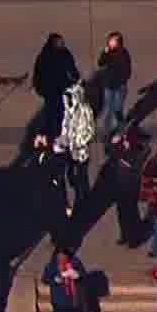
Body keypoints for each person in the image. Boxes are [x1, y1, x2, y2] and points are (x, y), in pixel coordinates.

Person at [53, 80, 95, 217]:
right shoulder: (67, 111)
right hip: (68, 151)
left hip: (80, 152)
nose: (68, 100)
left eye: (70, 98)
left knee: (81, 178)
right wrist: (60, 141)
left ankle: (84, 204)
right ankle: (76, 202)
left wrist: (79, 143)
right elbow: (65, 130)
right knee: (70, 177)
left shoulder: (85, 110)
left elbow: (90, 131)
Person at [30, 33, 79, 138]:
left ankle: (59, 132)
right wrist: (38, 86)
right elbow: (38, 73)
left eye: (61, 42)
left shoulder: (65, 53)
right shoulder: (44, 55)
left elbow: (71, 67)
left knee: (62, 111)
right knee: (50, 111)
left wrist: (76, 79)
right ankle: (47, 133)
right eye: (58, 42)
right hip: (49, 89)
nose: (61, 44)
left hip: (63, 87)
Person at [41, 247, 90, 312]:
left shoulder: (75, 263)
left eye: (63, 257)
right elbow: (45, 279)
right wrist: (55, 279)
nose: (61, 259)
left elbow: (83, 275)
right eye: (59, 257)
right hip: (58, 299)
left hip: (73, 299)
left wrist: (77, 276)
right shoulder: (52, 266)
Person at [95, 31, 131, 136]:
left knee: (117, 109)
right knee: (107, 108)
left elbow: (127, 70)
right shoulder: (107, 52)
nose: (111, 42)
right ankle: (106, 130)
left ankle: (121, 130)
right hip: (109, 85)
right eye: (110, 40)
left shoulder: (123, 53)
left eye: (113, 41)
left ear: (118, 42)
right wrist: (105, 53)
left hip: (119, 86)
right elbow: (100, 63)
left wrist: (122, 81)